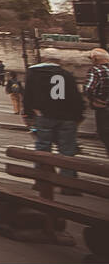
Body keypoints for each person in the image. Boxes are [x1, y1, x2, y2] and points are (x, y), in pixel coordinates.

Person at [23, 48, 85, 185]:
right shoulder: (67, 75)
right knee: (67, 150)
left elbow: (28, 95)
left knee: (43, 148)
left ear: (44, 58)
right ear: (59, 60)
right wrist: (79, 115)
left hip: (44, 115)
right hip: (67, 116)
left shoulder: (35, 73)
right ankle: (68, 184)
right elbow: (75, 97)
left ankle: (42, 181)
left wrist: (28, 113)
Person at [84, 47, 109, 156]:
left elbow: (88, 88)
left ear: (95, 59)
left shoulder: (96, 70)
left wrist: (93, 100)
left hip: (103, 108)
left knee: (104, 133)